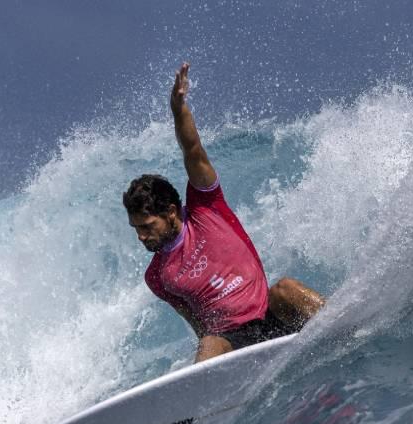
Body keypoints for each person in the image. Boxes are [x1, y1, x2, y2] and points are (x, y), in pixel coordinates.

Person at [124, 63, 324, 363]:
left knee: (286, 289)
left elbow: (193, 150)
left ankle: (350, 328)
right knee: (209, 342)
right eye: (135, 228)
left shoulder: (207, 208)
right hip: (234, 346)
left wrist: (178, 110)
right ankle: (200, 404)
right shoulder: (157, 276)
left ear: (170, 212)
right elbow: (196, 323)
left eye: (147, 225)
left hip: (271, 317)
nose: (140, 235)